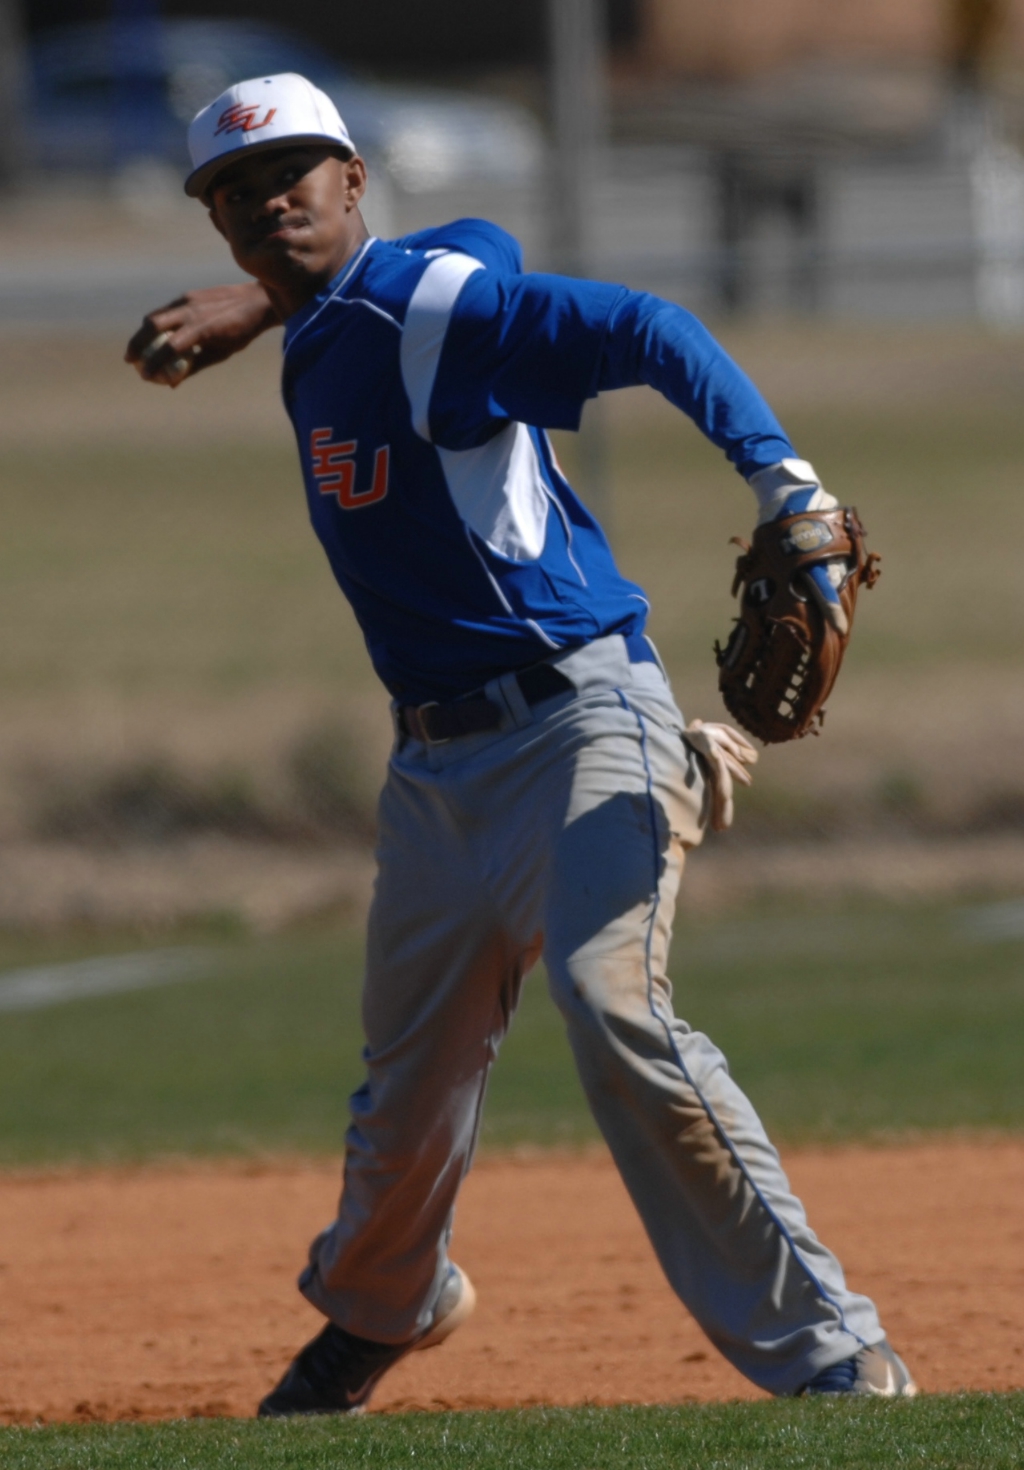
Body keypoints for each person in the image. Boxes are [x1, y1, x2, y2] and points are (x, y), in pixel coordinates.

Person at [127, 72, 916, 1413]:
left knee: (616, 1010)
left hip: (576, 721)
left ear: (355, 177)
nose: (269, 203)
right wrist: (272, 303)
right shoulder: (334, 323)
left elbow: (651, 327)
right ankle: (386, 1306)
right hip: (435, 775)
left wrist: (787, 481)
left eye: (295, 175)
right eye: (236, 195)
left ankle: (837, 1352)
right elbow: (482, 230)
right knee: (408, 1085)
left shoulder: (430, 312)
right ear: (216, 226)